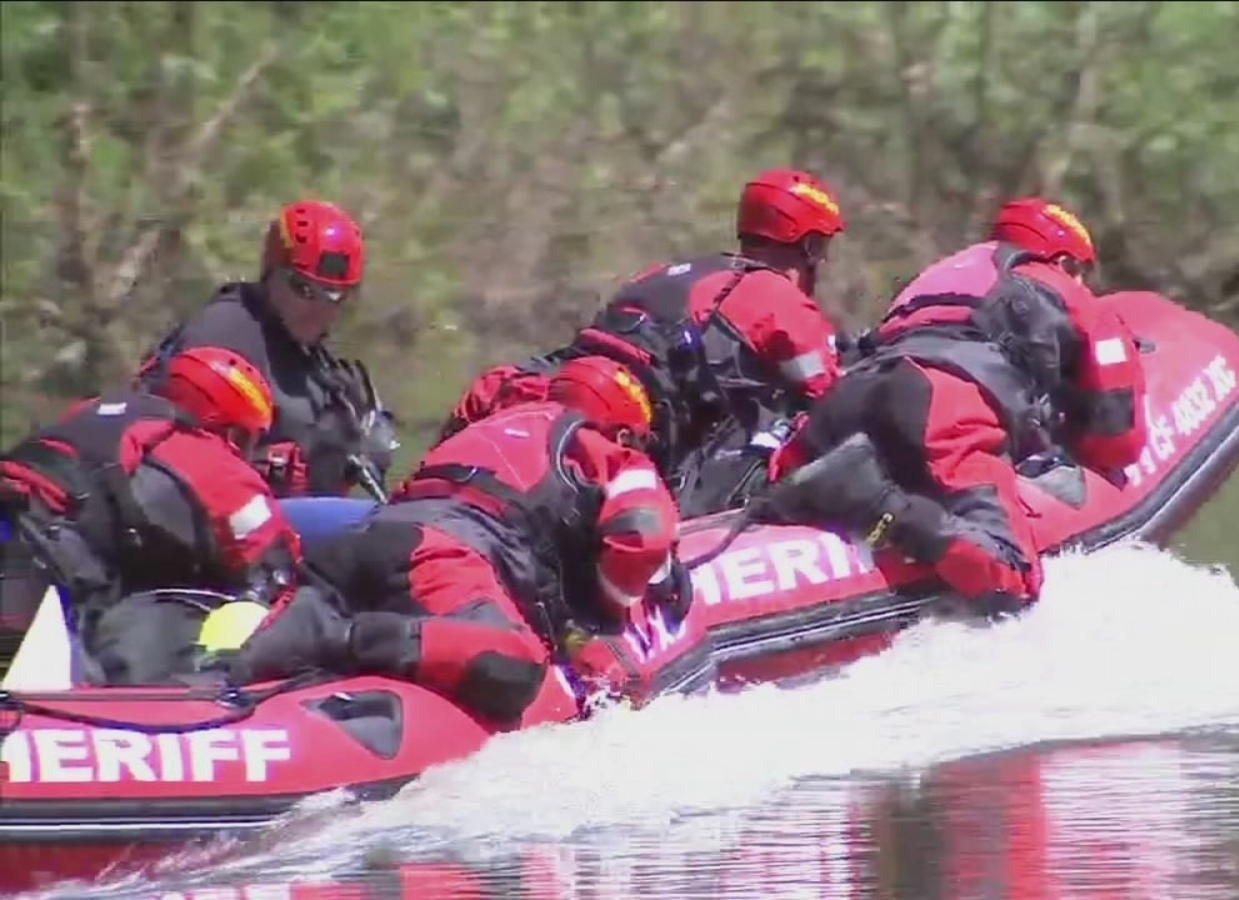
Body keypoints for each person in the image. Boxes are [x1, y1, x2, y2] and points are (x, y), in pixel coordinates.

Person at [226, 354, 690, 730]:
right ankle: (338, 636)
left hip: (363, 540)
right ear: (625, 431)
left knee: (241, 674)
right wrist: (608, 614)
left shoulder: (484, 430)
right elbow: (642, 539)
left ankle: (246, 665)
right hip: (441, 556)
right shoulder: (602, 450)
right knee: (515, 666)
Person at [760, 229, 1149, 614]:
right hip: (941, 403)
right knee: (1011, 576)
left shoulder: (933, 279)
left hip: (851, 396)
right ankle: (875, 502)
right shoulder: (1063, 287)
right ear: (1063, 261)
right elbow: (1119, 443)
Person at [438, 169, 850, 464]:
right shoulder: (779, 299)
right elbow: (827, 396)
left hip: (565, 392)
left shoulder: (668, 272)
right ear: (810, 246)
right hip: (634, 433)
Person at [0, 348, 302, 682]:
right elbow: (276, 561)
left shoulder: (90, 413)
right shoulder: (196, 449)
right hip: (42, 560)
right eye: (249, 438)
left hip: (18, 527)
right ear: (229, 429)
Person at [133, 199, 396, 500]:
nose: (319, 308)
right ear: (272, 272)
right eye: (304, 289)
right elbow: (181, 469)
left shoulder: (312, 355)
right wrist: (307, 461)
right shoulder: (223, 336)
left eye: (335, 295)